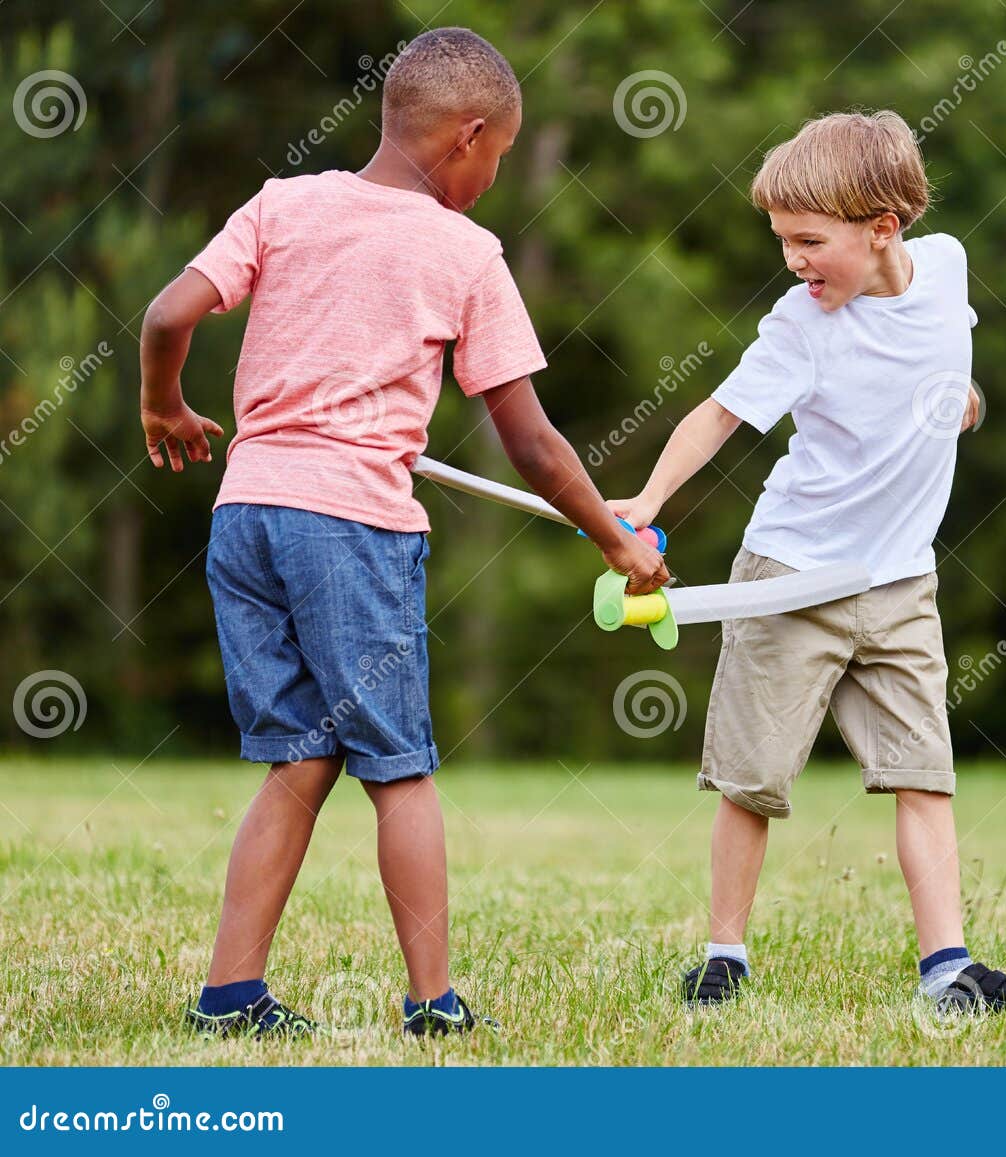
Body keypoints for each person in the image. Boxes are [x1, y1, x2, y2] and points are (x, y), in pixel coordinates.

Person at [138, 27, 668, 1038]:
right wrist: (615, 539)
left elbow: (168, 313)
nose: (496, 176)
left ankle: (230, 993)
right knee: (402, 763)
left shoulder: (284, 202)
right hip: (350, 523)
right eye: (500, 155)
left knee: (299, 756)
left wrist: (165, 404)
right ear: (468, 136)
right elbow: (533, 443)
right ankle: (434, 1003)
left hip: (246, 512)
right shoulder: (465, 252)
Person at [608, 110, 1006, 1013]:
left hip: (899, 579)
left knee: (923, 771)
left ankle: (948, 969)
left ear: (885, 229)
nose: (794, 262)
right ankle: (724, 955)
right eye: (783, 241)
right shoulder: (799, 325)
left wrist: (959, 399)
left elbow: (942, 357)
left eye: (810, 241)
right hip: (792, 575)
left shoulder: (948, 267)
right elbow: (720, 416)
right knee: (752, 775)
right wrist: (647, 503)